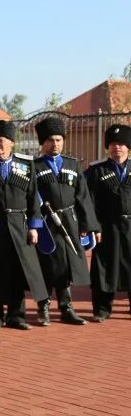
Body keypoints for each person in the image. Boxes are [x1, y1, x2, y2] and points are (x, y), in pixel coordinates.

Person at [0, 120, 48, 329]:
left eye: (1, 141)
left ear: (11, 142)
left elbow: (33, 198)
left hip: (20, 226)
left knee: (19, 270)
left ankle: (16, 315)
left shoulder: (26, 165)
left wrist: (34, 227)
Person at [33, 117, 99, 325]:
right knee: (47, 265)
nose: (55, 144)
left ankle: (66, 308)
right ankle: (43, 308)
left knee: (66, 267)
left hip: (70, 221)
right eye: (50, 140)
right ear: (42, 143)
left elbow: (83, 196)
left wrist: (87, 225)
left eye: (59, 140)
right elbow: (31, 197)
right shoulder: (34, 166)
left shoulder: (73, 164)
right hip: (46, 223)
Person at [84, 124, 131, 322]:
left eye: (120, 143)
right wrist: (93, 227)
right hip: (106, 227)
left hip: (130, 226)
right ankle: (102, 309)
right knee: (104, 268)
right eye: (112, 143)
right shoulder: (97, 170)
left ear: (128, 147)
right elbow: (88, 201)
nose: (116, 147)